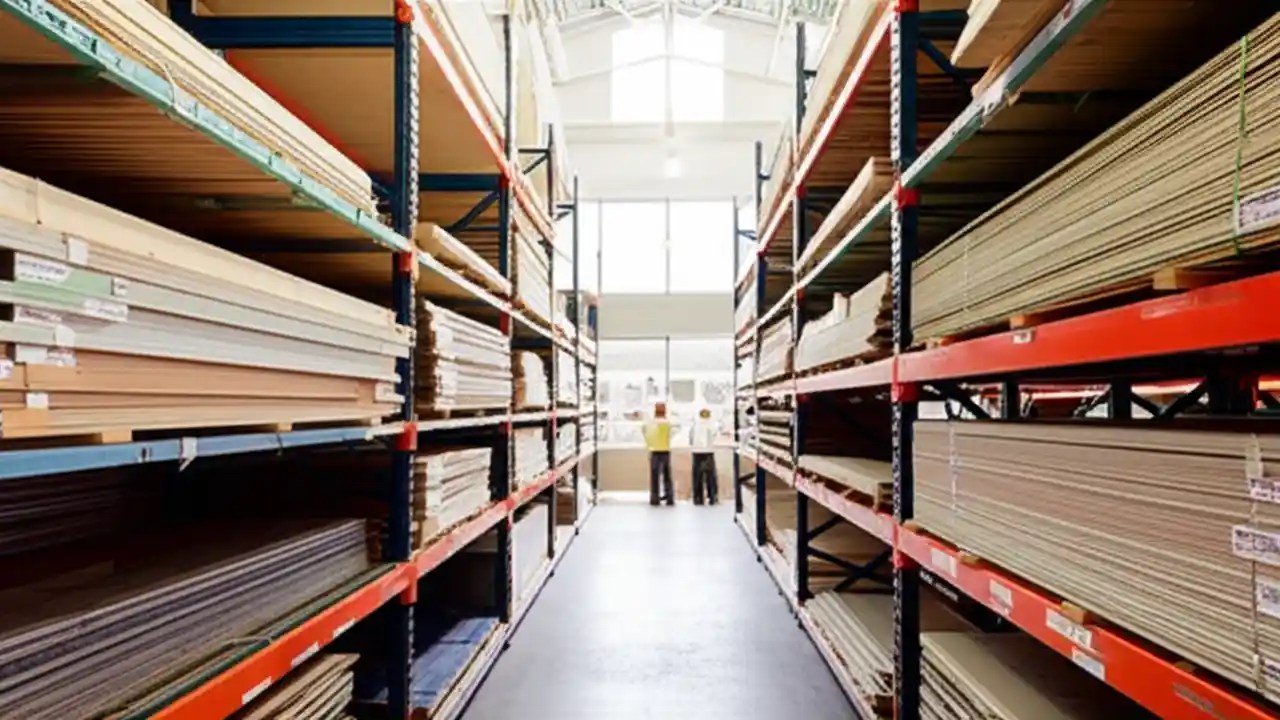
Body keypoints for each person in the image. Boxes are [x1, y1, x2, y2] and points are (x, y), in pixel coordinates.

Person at [642, 402, 673, 506]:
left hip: (654, 451)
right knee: (667, 476)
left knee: (654, 476)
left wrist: (648, 444)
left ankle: (654, 498)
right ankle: (669, 498)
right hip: (665, 450)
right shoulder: (668, 423)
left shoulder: (650, 423)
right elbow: (673, 432)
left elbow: (645, 433)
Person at [690, 408, 719, 505]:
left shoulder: (695, 425)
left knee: (697, 477)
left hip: (696, 452)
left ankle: (698, 498)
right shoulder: (712, 424)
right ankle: (712, 497)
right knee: (710, 476)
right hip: (708, 452)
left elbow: (691, 437)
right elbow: (715, 436)